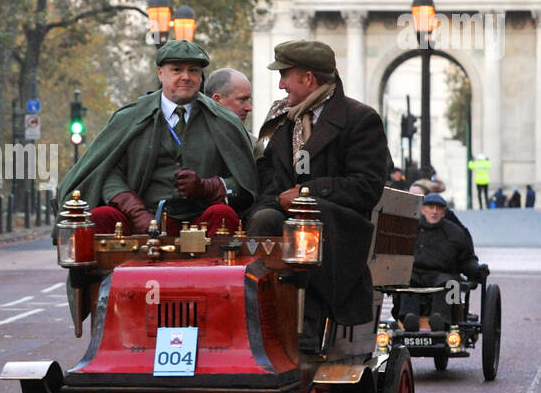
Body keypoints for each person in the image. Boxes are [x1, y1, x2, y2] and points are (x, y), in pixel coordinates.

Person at [247, 40, 389, 329]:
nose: (281, 85)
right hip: (287, 217)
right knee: (263, 219)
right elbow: (269, 177)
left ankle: (310, 320)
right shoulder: (283, 121)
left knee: (306, 222)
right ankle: (264, 316)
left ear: (308, 78)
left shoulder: (360, 119)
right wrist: (264, 207)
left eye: (285, 76)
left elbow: (366, 187)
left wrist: (306, 194)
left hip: (339, 228)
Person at [55, 38, 257, 238]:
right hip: (139, 224)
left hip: (200, 221)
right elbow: (106, 172)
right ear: (161, 74)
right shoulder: (130, 118)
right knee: (100, 217)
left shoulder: (224, 121)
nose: (186, 77)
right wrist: (135, 211)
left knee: (223, 215)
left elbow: (245, 182)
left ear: (201, 77)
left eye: (193, 70)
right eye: (177, 70)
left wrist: (207, 187)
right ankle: (99, 272)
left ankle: (213, 270)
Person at [395, 192, 488, 332]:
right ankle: (409, 318)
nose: (434, 211)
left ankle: (441, 321)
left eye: (438, 208)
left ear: (444, 212)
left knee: (450, 285)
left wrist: (476, 269)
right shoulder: (409, 230)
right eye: (430, 207)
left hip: (446, 276)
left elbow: (466, 259)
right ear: (422, 210)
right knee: (405, 282)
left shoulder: (455, 233)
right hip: (416, 275)